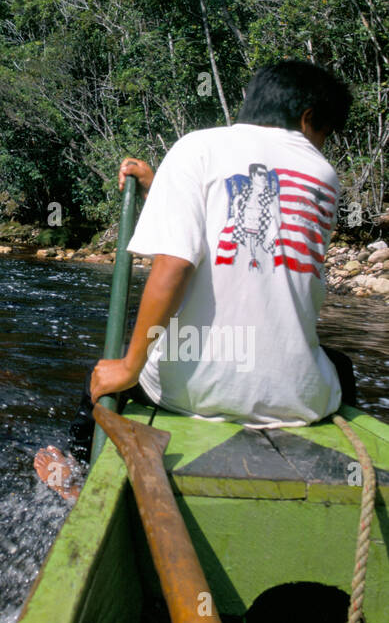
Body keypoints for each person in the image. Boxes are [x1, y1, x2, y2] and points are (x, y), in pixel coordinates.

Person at [35, 60, 356, 500]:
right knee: (340, 365)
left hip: (193, 390)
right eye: (325, 131)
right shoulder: (324, 175)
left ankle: (73, 480)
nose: (321, 142)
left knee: (106, 370)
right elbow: (253, 242)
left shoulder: (199, 147)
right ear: (307, 119)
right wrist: (160, 187)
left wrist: (128, 367)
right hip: (298, 401)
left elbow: (178, 265)